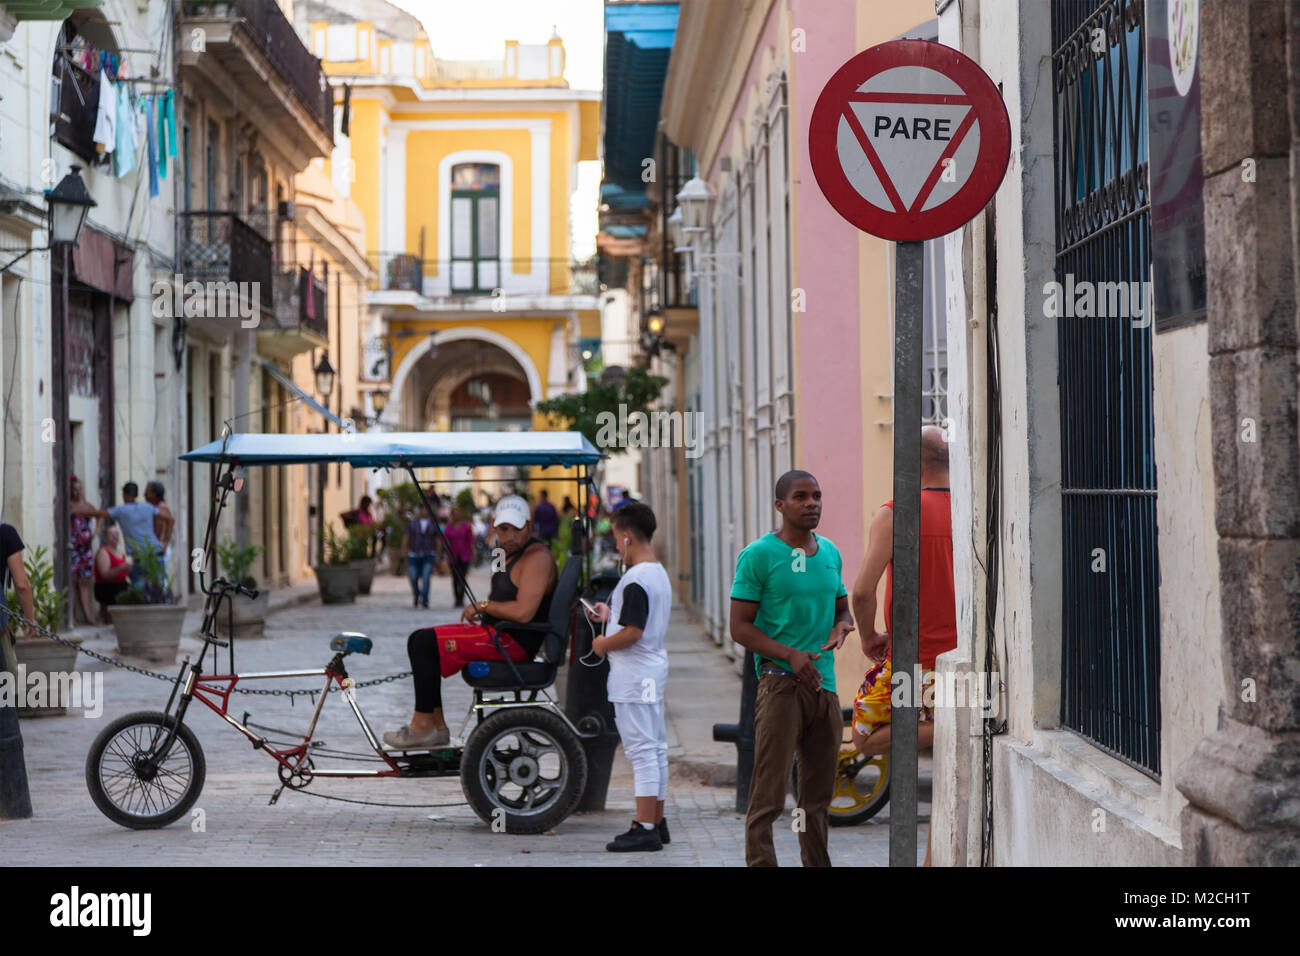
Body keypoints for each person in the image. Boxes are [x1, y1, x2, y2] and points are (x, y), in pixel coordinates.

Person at [730, 470, 854, 867]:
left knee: (816, 800)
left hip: (826, 687)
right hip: (780, 687)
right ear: (780, 506)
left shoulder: (831, 553)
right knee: (768, 797)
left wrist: (844, 625)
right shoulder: (759, 556)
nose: (812, 503)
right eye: (801, 497)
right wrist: (790, 654)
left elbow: (842, 607)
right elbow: (739, 628)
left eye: (816, 496)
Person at [850, 426, 956, 867]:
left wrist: (869, 635)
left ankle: (958, 726)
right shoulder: (976, 508)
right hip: (965, 662)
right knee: (949, 776)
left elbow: (861, 592)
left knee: (864, 739)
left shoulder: (896, 512)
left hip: (915, 664)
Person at [383, 495, 557, 750]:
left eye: (516, 529)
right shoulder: (500, 550)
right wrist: (488, 606)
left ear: (529, 526)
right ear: (494, 526)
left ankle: (422, 727)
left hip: (513, 642)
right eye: (503, 528)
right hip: (495, 631)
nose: (509, 536)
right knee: (418, 639)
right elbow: (498, 588)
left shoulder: (537, 558)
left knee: (424, 643)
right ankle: (436, 726)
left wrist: (484, 607)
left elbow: (523, 613)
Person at [585, 502, 673, 852]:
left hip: (634, 674)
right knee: (656, 748)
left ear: (626, 537)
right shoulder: (656, 572)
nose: (615, 546)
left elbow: (634, 631)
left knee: (641, 751)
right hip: (651, 670)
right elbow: (638, 619)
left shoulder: (635, 578)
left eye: (614, 538)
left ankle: (645, 826)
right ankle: (657, 820)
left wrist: (603, 642)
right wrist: (610, 613)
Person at [69, 475, 109, 625]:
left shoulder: (87, 506)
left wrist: (95, 532)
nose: (77, 492)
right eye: (74, 489)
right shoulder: (69, 506)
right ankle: (72, 616)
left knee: (84, 581)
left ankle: (88, 616)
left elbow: (101, 515)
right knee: (72, 581)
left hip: (85, 548)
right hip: (72, 547)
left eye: (79, 489)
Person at [108, 482, 162, 585]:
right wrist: (163, 540)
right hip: (154, 551)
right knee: (156, 588)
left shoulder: (122, 510)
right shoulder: (148, 507)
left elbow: (100, 513)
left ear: (124, 494)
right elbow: (169, 520)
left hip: (143, 554)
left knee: (141, 588)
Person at [93, 521, 133, 622]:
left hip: (121, 585)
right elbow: (104, 575)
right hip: (107, 587)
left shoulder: (120, 553)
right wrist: (121, 568)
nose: (115, 537)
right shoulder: (104, 552)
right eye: (112, 535)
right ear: (106, 537)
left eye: (116, 534)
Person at [406, 504, 438, 609]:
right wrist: (403, 550)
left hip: (428, 554)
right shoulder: (412, 523)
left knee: (426, 576)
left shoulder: (433, 524)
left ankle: (425, 599)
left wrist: (439, 554)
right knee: (413, 576)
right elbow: (407, 536)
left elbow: (437, 540)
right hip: (414, 554)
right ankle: (416, 594)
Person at [443, 506, 475, 607]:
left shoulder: (466, 526)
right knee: (455, 578)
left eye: (458, 513)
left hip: (465, 554)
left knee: (463, 577)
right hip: (453, 555)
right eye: (454, 513)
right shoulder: (449, 527)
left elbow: (471, 540)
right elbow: (444, 540)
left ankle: (461, 598)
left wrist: (473, 552)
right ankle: (456, 598)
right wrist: (444, 555)